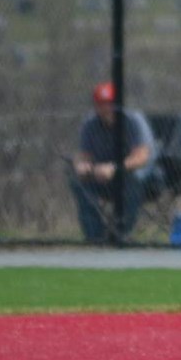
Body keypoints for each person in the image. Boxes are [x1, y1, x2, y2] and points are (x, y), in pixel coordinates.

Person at [68, 82, 159, 244]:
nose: (106, 108)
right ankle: (95, 237)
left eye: (110, 103)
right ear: (96, 106)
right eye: (101, 104)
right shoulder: (90, 124)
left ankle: (121, 235)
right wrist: (82, 166)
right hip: (104, 178)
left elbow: (141, 157)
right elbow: (84, 156)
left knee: (131, 181)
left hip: (142, 179)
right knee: (76, 180)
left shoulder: (133, 120)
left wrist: (114, 168)